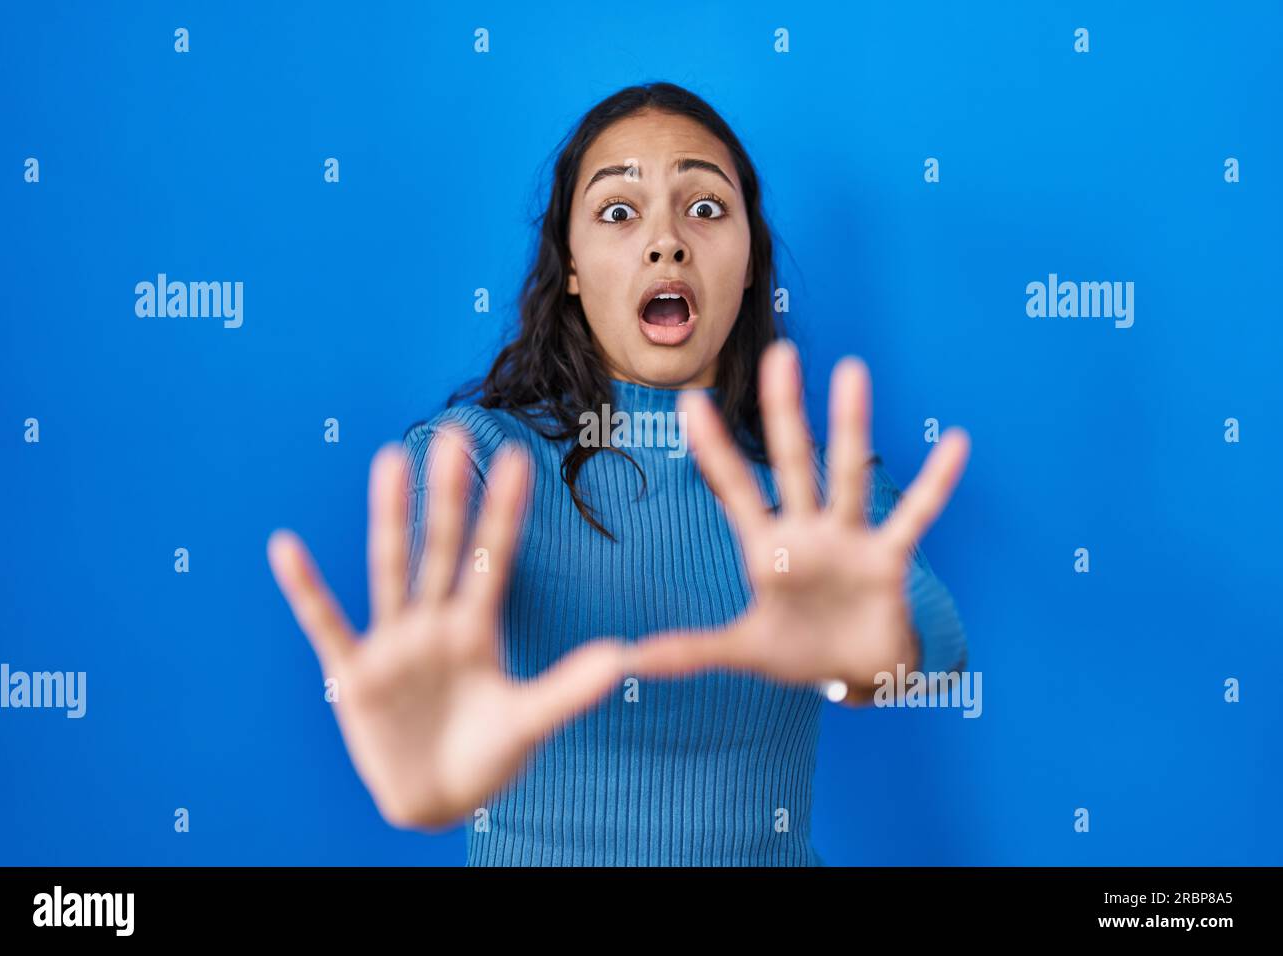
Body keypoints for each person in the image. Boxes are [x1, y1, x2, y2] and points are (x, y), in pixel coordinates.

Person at [267, 82, 970, 865]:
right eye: (618, 211)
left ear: (747, 267)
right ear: (570, 266)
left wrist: (876, 660)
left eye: (705, 209)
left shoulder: (815, 498)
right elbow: (443, 575)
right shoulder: (477, 460)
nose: (667, 241)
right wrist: (433, 748)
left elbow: (937, 646)